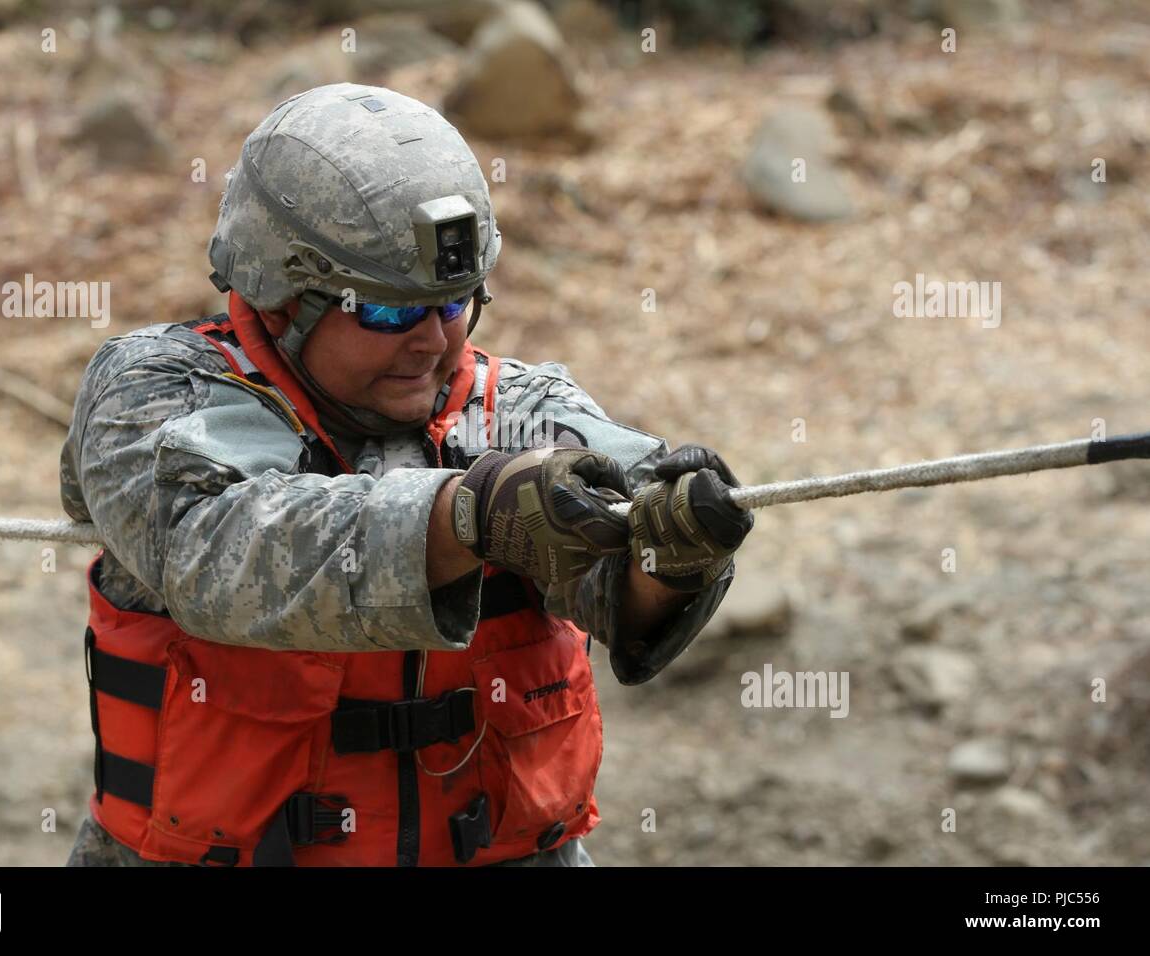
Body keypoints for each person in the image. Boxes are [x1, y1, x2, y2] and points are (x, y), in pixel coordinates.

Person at [60, 83, 753, 867]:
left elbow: (621, 600)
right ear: (284, 299)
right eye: (389, 313)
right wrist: (468, 517)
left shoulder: (518, 409)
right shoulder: (153, 393)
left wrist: (673, 555)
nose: (432, 341)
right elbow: (214, 553)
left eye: (455, 302)